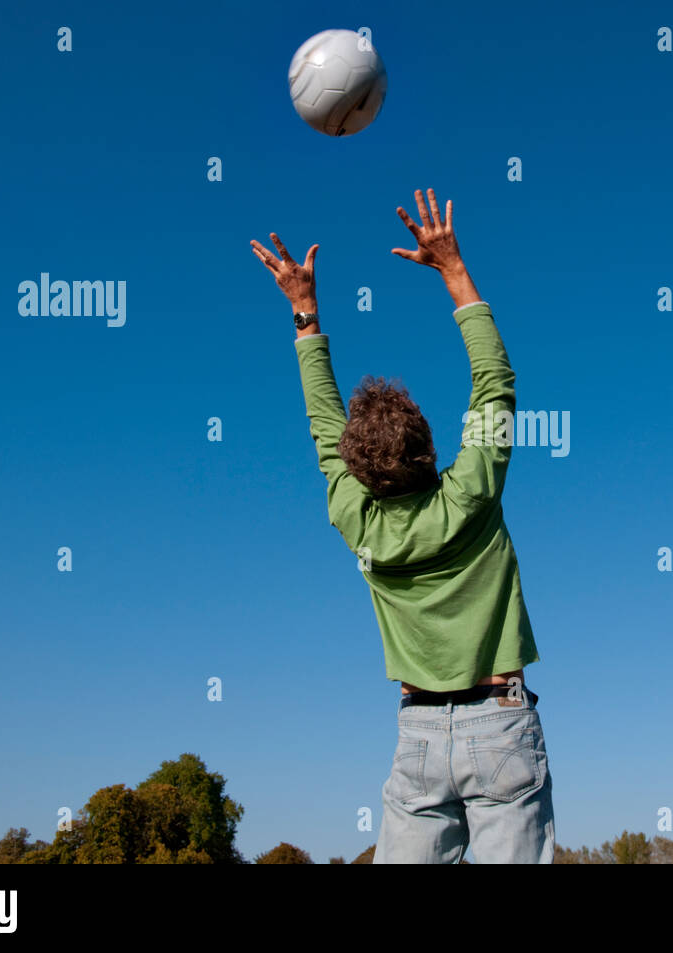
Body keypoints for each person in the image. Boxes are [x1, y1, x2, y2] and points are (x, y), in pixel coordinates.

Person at [249, 188, 554, 863]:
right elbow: (495, 381)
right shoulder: (472, 491)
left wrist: (306, 314)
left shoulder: (354, 517)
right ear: (428, 442)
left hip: (416, 733)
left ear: (357, 472)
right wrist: (453, 269)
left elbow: (324, 428)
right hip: (500, 721)